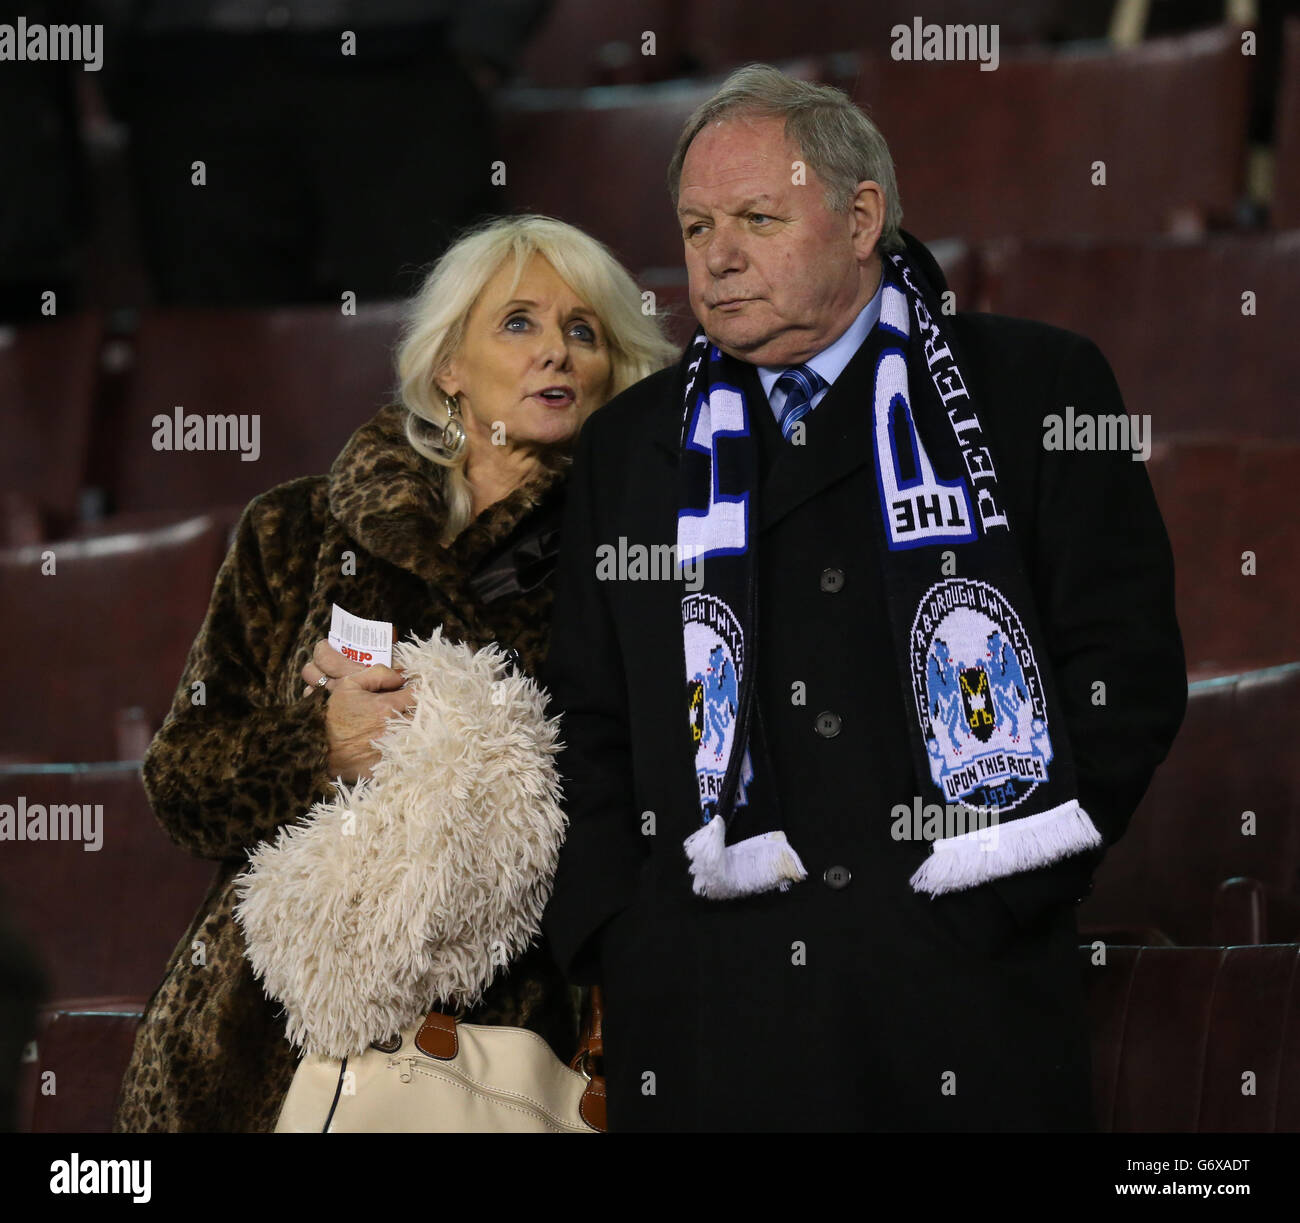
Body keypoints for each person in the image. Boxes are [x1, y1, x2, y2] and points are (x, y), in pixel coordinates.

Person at [541, 66, 1187, 1132]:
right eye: (697, 226)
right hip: (708, 1012)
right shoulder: (633, 444)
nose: (720, 255)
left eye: (757, 216)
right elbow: (586, 712)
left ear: (860, 218)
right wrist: (627, 931)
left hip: (953, 996)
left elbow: (1123, 667)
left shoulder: (1034, 387)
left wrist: (1001, 894)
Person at [112, 213, 675, 1132]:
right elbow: (180, 784)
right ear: (448, 366)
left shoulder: (634, 565)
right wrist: (320, 745)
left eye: (586, 332)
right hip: (247, 1046)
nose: (559, 355)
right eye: (520, 323)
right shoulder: (291, 530)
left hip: (481, 1054)